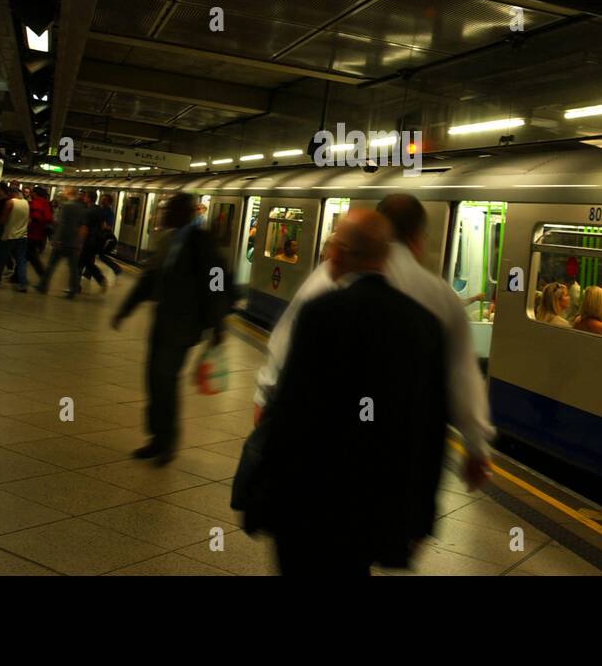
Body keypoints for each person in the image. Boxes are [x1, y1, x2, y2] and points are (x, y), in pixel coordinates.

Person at [249, 209, 449, 575]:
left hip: (312, 493)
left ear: (340, 254)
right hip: (375, 499)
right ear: (386, 258)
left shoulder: (321, 312)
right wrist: (422, 517)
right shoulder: (424, 325)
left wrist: (264, 489)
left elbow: (293, 409)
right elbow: (432, 428)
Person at [254, 193, 493, 489]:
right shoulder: (441, 298)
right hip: (401, 457)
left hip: (327, 442)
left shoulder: (331, 277)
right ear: (418, 238)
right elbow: (462, 377)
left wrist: (264, 397)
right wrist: (475, 447)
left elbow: (285, 344)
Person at [112, 192, 231, 465]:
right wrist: (125, 309)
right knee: (153, 379)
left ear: (184, 213)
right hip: (163, 321)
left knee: (165, 380)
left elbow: (216, 283)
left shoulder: (201, 242)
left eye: (168, 210)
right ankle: (156, 438)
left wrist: (218, 327)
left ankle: (167, 443)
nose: (163, 214)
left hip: (183, 326)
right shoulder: (168, 240)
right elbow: (150, 278)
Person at [37, 187, 87, 298]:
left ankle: (42, 286)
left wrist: (56, 239)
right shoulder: (81, 208)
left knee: (51, 265)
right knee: (73, 268)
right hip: (74, 243)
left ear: (69, 193)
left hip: (62, 242)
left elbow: (62, 224)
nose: (63, 193)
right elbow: (83, 227)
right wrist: (79, 243)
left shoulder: (66, 206)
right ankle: (73, 290)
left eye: (65, 191)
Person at [0, 185, 30, 291]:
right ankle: (23, 284)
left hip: (9, 236)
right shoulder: (26, 203)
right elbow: (29, 220)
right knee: (21, 261)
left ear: (12, 194)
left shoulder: (10, 202)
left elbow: (3, 220)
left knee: (1, 259)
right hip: (23, 236)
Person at [78, 191, 109, 293]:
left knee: (78, 264)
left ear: (89, 199)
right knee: (88, 263)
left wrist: (80, 242)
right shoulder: (99, 210)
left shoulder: (88, 211)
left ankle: (74, 286)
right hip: (95, 242)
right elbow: (104, 226)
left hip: (87, 241)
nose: (84, 198)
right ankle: (101, 279)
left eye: (86, 197)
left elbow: (84, 228)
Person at [26, 186, 53, 281]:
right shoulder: (46, 203)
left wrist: (28, 226)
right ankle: (16, 276)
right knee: (26, 256)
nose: (31, 193)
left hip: (33, 234)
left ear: (35, 193)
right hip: (40, 235)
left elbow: (35, 218)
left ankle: (44, 276)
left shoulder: (36, 203)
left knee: (32, 257)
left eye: (32, 192)